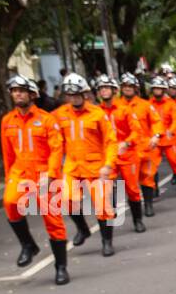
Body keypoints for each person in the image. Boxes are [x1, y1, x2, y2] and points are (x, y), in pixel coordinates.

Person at [0, 74, 68, 283]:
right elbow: (7, 153)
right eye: (14, 91)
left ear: (32, 94)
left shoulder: (47, 120)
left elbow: (57, 149)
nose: (17, 94)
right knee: (10, 202)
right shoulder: (7, 121)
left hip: (44, 174)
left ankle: (61, 267)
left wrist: (51, 173)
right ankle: (28, 244)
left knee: (53, 221)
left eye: (21, 90)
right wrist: (8, 177)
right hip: (19, 173)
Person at [52, 72, 119, 256]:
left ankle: (107, 241)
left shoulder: (97, 114)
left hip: (96, 167)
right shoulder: (60, 115)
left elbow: (111, 141)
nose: (73, 99)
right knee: (67, 200)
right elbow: (48, 130)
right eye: (70, 96)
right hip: (72, 167)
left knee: (103, 206)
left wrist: (108, 164)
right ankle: (82, 228)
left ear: (85, 94)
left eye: (77, 95)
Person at [95, 74, 147, 235]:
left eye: (106, 88)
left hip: (127, 155)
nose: (104, 91)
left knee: (132, 189)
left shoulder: (124, 110)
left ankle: (138, 220)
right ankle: (109, 221)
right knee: (105, 188)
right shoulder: (96, 112)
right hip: (108, 157)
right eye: (101, 88)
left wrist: (126, 142)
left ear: (114, 90)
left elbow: (136, 131)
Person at [118, 72, 166, 218]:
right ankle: (134, 206)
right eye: (125, 86)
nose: (127, 88)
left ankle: (149, 204)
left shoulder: (145, 105)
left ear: (136, 88)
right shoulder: (116, 106)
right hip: (126, 150)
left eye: (130, 86)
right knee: (129, 183)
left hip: (145, 147)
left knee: (147, 177)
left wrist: (156, 136)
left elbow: (157, 122)